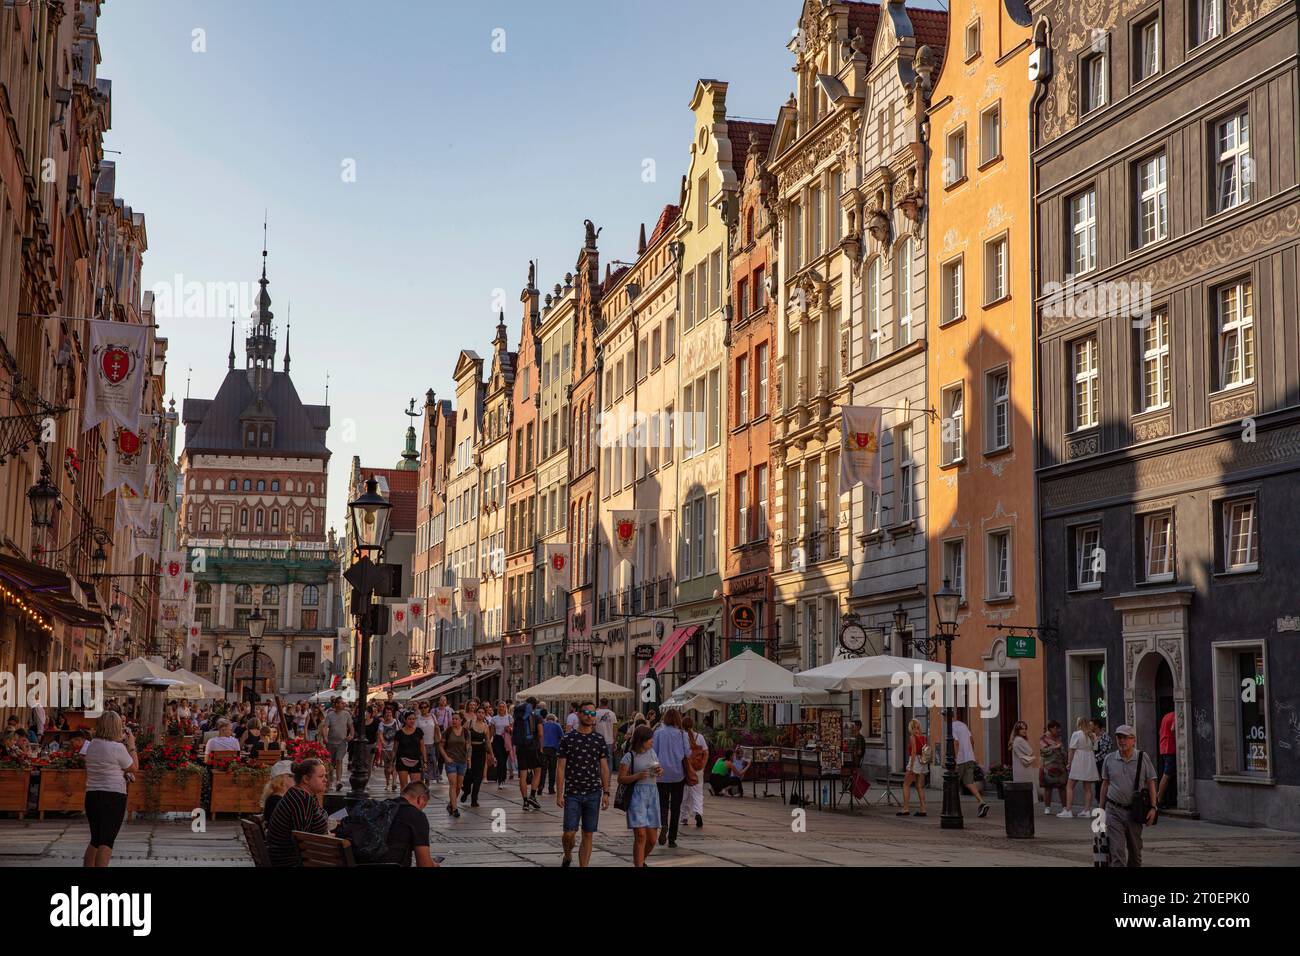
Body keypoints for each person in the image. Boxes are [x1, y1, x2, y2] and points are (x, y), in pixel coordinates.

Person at [555, 701, 610, 867]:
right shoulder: (568, 739)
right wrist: (559, 793)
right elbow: (561, 767)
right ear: (578, 714)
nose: (589, 716)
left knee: (588, 834)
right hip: (573, 793)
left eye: (593, 714)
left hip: (593, 792)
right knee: (569, 833)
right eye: (586, 713)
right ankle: (567, 854)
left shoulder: (599, 739)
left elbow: (604, 767)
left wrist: (606, 792)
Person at [80, 711, 137, 867]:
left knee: (96, 839)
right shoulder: (117, 748)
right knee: (107, 841)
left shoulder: (92, 745)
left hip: (92, 795)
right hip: (113, 796)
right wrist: (131, 746)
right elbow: (134, 767)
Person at [1099, 724, 1158, 867]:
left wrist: (1153, 807)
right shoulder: (1109, 759)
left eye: (1126, 738)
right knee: (1117, 852)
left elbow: (1151, 783)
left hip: (1134, 812)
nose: (1122, 741)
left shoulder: (1143, 758)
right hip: (1113, 809)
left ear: (1133, 740)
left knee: (1135, 853)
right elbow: (1105, 784)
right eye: (1119, 737)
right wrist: (1101, 810)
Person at [266, 758, 331, 866]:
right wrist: (326, 839)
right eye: (321, 776)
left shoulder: (303, 795)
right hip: (291, 861)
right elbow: (302, 840)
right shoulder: (301, 799)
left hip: (291, 858)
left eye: (325, 776)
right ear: (305, 779)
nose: (325, 780)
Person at [617, 724, 662, 867]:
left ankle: (641, 861)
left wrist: (659, 771)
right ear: (642, 740)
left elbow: (656, 771)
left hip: (652, 795)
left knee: (653, 839)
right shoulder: (629, 756)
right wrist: (637, 776)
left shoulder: (652, 753)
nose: (652, 742)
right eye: (650, 740)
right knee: (640, 836)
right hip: (637, 796)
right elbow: (621, 779)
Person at [651, 708, 692, 847]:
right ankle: (672, 839)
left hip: (661, 774)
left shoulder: (657, 733)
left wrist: (654, 771)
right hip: (677, 775)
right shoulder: (682, 734)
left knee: (662, 804)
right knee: (676, 807)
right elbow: (687, 753)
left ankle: (664, 824)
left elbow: (653, 754)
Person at [385, 781, 439, 867]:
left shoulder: (384, 807)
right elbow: (424, 864)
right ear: (421, 799)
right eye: (423, 806)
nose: (421, 810)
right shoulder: (416, 815)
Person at [951, 715, 988, 817]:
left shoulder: (952, 726)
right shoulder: (963, 725)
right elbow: (971, 739)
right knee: (969, 782)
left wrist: (955, 758)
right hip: (969, 757)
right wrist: (971, 752)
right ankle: (982, 802)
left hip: (961, 759)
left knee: (953, 782)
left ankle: (953, 807)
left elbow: (956, 743)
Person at [1061, 717, 1098, 817]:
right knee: (1088, 788)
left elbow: (1072, 750)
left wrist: (1069, 763)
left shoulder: (1076, 734)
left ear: (1080, 724)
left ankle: (1068, 810)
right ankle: (1087, 810)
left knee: (1069, 786)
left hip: (1078, 760)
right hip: (1089, 760)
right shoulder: (1092, 735)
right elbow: (1095, 748)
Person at [512, 696, 543, 810]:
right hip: (533, 747)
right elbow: (540, 733)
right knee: (538, 770)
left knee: (523, 776)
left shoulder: (518, 716)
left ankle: (525, 802)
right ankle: (533, 796)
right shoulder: (536, 716)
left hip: (520, 748)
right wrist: (541, 747)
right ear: (535, 705)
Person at [438, 712, 469, 817]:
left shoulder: (465, 732)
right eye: (453, 719)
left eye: (456, 719)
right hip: (451, 761)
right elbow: (441, 746)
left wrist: (469, 758)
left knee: (459, 786)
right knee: (452, 784)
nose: (454, 721)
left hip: (462, 761)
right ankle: (455, 809)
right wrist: (446, 757)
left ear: (461, 720)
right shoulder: (448, 731)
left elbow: (468, 746)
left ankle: (451, 804)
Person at [461, 706, 491, 807]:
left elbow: (487, 742)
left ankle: (474, 799)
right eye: (479, 712)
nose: (481, 714)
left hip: (481, 752)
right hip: (470, 751)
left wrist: (491, 754)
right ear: (476, 713)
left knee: (478, 777)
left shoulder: (486, 726)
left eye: (483, 713)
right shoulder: (469, 723)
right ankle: (466, 791)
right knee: (468, 775)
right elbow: (461, 733)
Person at [681, 715, 708, 829]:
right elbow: (706, 752)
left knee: (684, 794)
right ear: (693, 725)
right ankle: (698, 812)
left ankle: (684, 817)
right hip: (698, 769)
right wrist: (703, 765)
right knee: (698, 793)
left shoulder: (682, 736)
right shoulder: (700, 737)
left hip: (686, 768)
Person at [900, 718, 929, 817]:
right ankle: (923, 808)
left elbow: (913, 752)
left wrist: (911, 767)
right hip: (923, 762)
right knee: (919, 786)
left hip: (915, 761)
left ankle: (906, 808)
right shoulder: (923, 737)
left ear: (911, 727)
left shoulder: (913, 737)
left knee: (905, 784)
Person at [324, 698, 354, 791]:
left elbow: (351, 726)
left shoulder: (347, 714)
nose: (344, 704)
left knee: (339, 760)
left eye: (344, 703)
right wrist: (325, 737)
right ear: (336, 704)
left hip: (342, 742)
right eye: (341, 703)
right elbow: (325, 727)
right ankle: (329, 782)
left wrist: (351, 735)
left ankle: (338, 781)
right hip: (331, 742)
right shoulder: (330, 715)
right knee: (330, 764)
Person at [1039, 721, 1068, 814]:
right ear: (1051, 728)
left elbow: (1063, 751)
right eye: (1056, 728)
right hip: (1049, 766)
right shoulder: (1043, 738)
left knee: (1062, 787)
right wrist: (1055, 747)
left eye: (1058, 728)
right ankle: (1047, 807)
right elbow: (1043, 751)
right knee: (1048, 787)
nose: (1058, 730)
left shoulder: (1059, 738)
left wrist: (1066, 760)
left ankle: (1064, 807)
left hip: (1060, 765)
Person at [394, 710, 425, 788]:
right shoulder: (399, 733)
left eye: (413, 719)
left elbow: (422, 747)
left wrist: (425, 761)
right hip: (402, 761)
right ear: (405, 720)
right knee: (403, 786)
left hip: (416, 760)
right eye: (410, 719)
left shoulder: (418, 731)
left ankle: (412, 800)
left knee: (415, 786)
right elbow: (395, 749)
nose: (412, 721)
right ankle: (403, 800)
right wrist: (391, 763)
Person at [1009, 720, 1038, 803]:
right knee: (1027, 789)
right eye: (1022, 729)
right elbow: (1030, 751)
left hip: (1019, 768)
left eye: (1025, 728)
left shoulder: (1015, 740)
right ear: (1017, 730)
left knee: (1021, 789)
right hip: (1024, 768)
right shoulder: (1020, 740)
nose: (1024, 730)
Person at [415, 701, 440, 785]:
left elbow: (436, 728)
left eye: (425, 707)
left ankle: (427, 785)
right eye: (421, 707)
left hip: (431, 744)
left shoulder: (432, 716)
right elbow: (415, 731)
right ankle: (422, 785)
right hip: (420, 745)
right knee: (422, 766)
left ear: (428, 708)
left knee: (430, 767)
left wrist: (439, 738)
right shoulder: (417, 718)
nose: (423, 709)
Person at [1156, 708, 1177, 810]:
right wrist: (1175, 738)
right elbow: (1173, 729)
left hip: (1163, 747)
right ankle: (1159, 798)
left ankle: (1167, 800)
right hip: (1171, 748)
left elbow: (1160, 732)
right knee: (1167, 774)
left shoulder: (1166, 716)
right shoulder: (1175, 715)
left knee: (1169, 774)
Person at [489, 702, 511, 789]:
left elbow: (512, 730)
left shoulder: (509, 718)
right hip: (497, 739)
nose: (501, 708)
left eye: (503, 707)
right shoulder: (494, 718)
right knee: (500, 760)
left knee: (504, 760)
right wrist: (488, 741)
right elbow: (492, 731)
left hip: (506, 740)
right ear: (497, 708)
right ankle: (500, 780)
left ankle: (503, 777)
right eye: (500, 707)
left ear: (506, 708)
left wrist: (509, 729)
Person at [430, 695, 453, 782]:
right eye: (441, 700)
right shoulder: (433, 711)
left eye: (444, 700)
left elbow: (450, 723)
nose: (443, 701)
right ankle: (433, 773)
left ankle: (439, 773)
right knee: (434, 754)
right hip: (435, 734)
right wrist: (436, 717)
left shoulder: (448, 711)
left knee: (441, 756)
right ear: (438, 701)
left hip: (444, 734)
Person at [378, 705, 400, 791]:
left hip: (395, 747)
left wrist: (397, 743)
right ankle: (387, 783)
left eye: (390, 712)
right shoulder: (381, 724)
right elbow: (380, 734)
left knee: (394, 765)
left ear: (392, 713)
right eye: (386, 712)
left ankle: (394, 783)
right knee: (387, 766)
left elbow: (399, 733)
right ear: (384, 714)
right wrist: (383, 742)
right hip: (385, 748)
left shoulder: (396, 722)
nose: (388, 714)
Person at [540, 712, 563, 794]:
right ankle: (551, 788)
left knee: (543, 769)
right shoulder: (557, 725)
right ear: (554, 719)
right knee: (552, 770)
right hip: (553, 749)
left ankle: (540, 787)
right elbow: (562, 737)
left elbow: (540, 736)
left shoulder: (543, 725)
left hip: (544, 749)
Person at [1092, 718, 1113, 802]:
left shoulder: (1105, 736)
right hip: (1096, 763)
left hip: (1103, 762)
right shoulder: (1094, 736)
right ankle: (1099, 800)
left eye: (1091, 724)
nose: (1090, 726)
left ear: (1096, 726)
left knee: (1102, 782)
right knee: (1097, 784)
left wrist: (1094, 758)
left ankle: (1103, 802)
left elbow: (1104, 751)